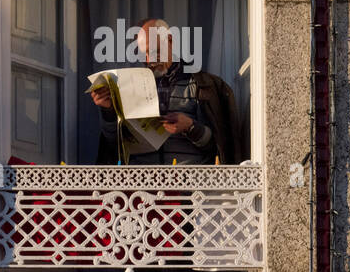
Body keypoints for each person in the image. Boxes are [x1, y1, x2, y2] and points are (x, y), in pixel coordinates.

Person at [89, 18, 244, 165]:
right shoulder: (131, 85)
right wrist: (108, 111)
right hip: (142, 185)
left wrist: (190, 127)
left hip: (189, 186)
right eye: (144, 55)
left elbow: (220, 146)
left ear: (169, 41)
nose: (150, 60)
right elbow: (114, 144)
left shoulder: (202, 85)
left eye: (154, 51)